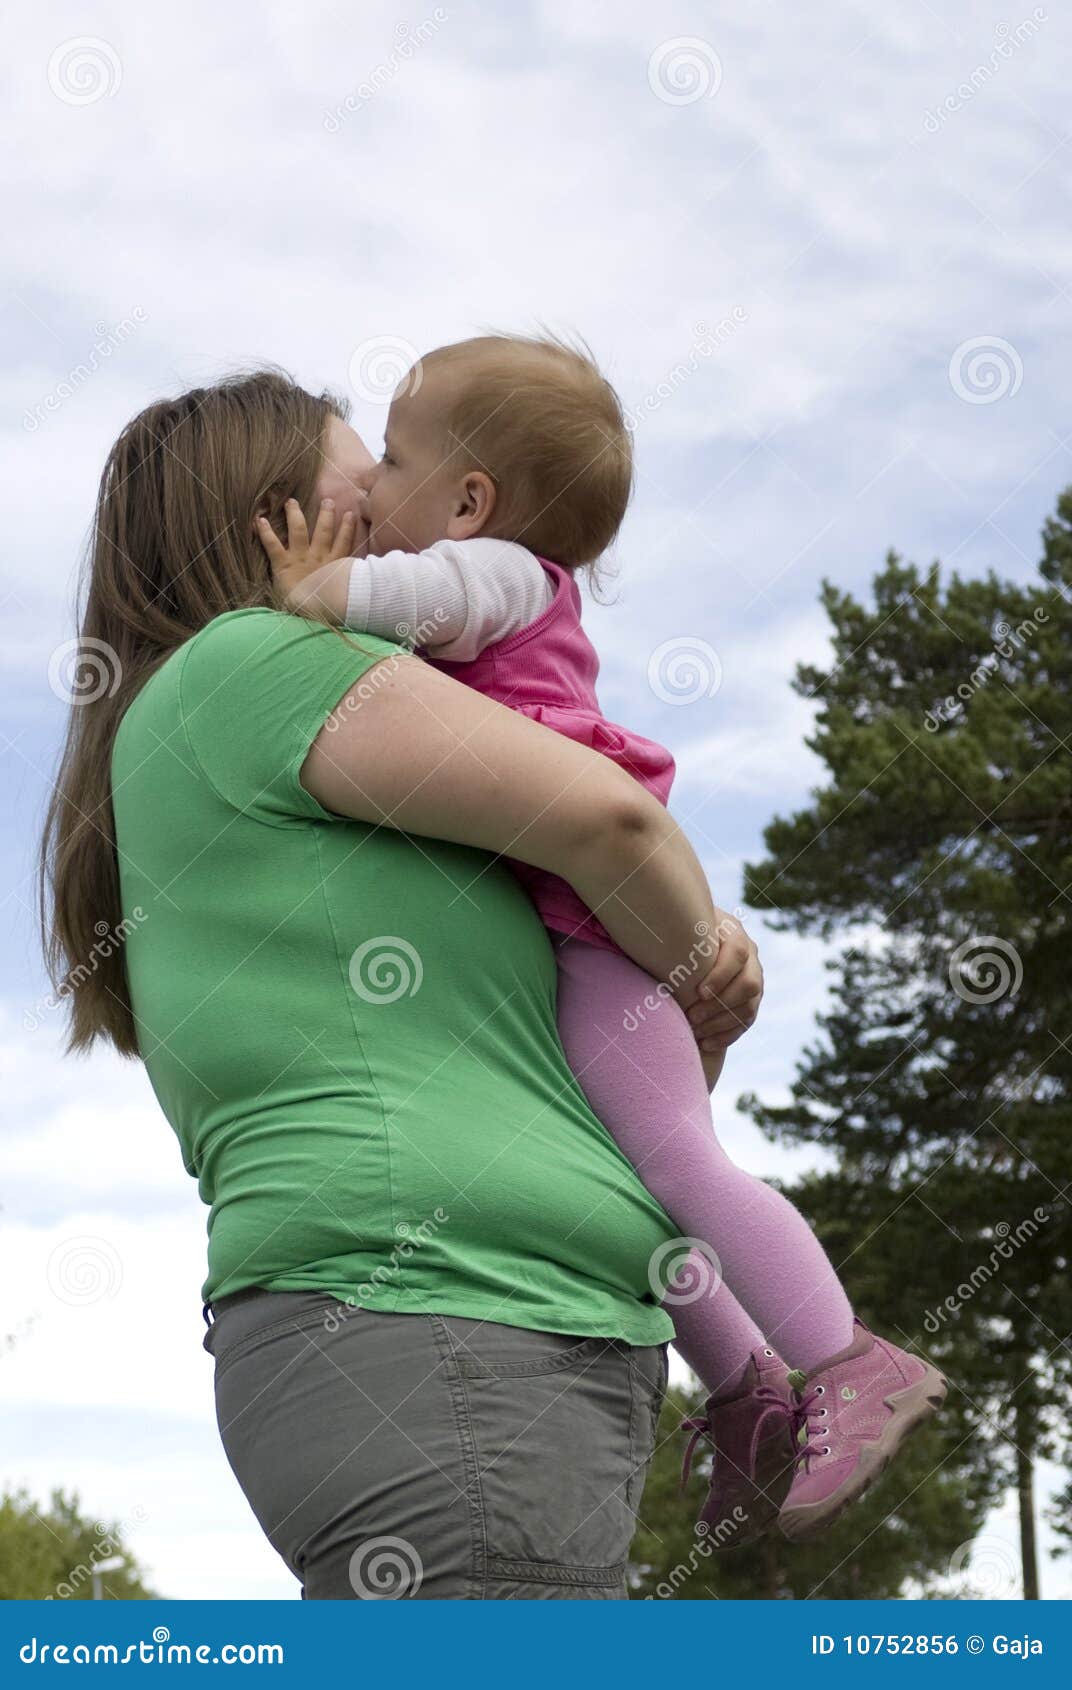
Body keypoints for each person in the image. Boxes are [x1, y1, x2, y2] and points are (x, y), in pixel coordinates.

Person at [39, 368, 762, 1598]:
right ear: (271, 513)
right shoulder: (253, 659)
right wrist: (703, 947)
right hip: (445, 1333)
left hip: (478, 1338)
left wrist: (685, 991)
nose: (388, 489)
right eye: (360, 463)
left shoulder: (270, 732)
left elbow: (597, 1065)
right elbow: (616, 826)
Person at [258, 332, 947, 1545]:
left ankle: (846, 1359)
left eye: (398, 458)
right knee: (625, 1183)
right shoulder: (498, 578)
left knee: (675, 1160)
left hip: (597, 933)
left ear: (471, 503)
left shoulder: (503, 577)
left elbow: (406, 603)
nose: (372, 492)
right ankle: (747, 1393)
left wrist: (308, 594)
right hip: (572, 930)